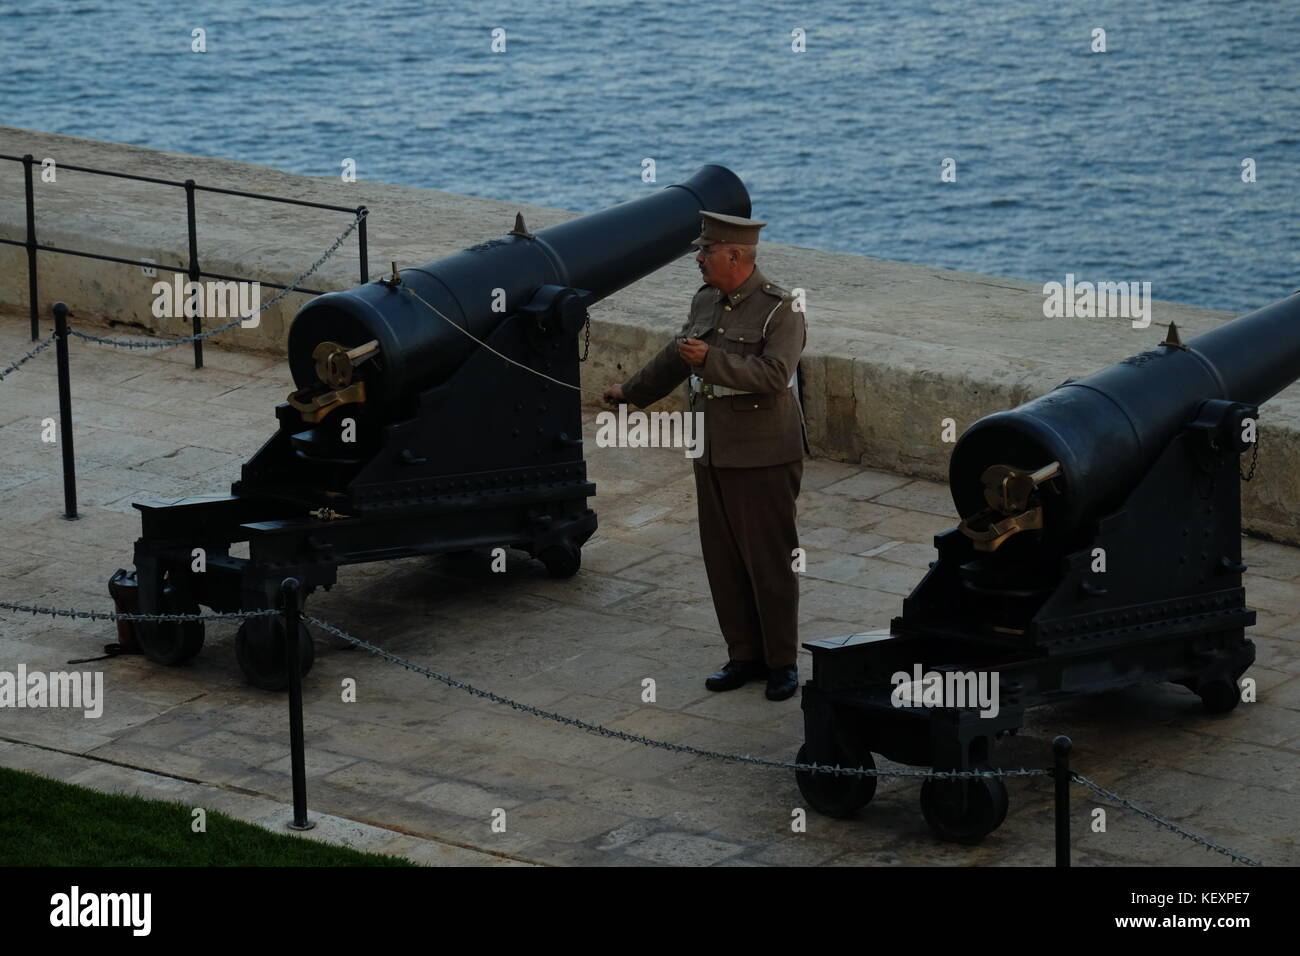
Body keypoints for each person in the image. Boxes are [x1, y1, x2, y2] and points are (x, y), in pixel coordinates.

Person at [603, 211, 808, 701]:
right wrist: (630, 393)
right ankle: (743, 655)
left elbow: (775, 375)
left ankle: (781, 662)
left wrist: (712, 361)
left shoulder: (783, 309)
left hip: (762, 454)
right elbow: (678, 356)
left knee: (769, 561)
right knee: (724, 559)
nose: (698, 259)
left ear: (734, 255)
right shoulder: (705, 300)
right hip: (711, 448)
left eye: (706, 251)